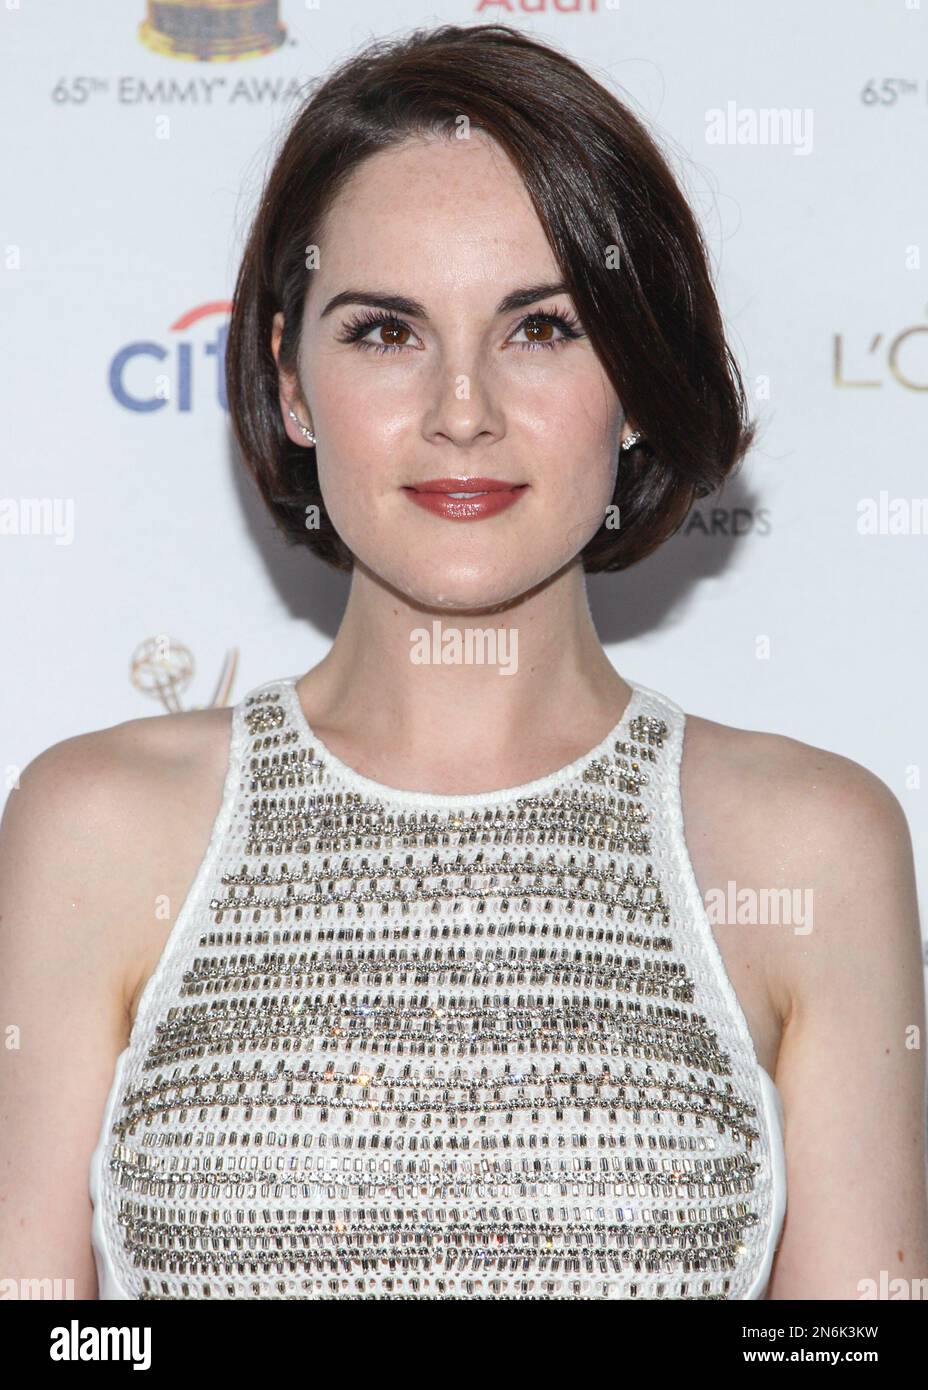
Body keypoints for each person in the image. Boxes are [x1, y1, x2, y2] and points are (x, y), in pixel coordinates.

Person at [1, 23, 925, 1302]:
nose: (461, 409)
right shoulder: (97, 828)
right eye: (385, 331)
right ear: (290, 384)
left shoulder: (812, 845)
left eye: (540, 328)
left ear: (641, 376)